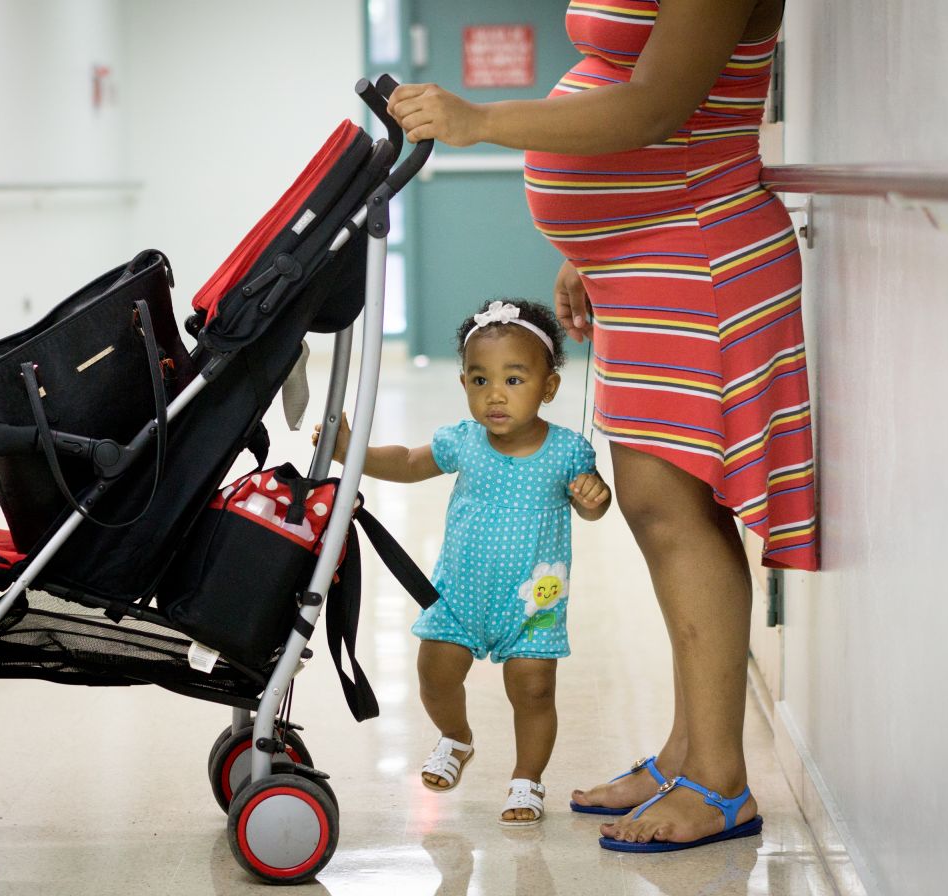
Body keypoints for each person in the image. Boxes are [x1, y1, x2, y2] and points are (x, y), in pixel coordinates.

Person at [387, 0, 817, 852]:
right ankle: (689, 751)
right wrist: (595, 239)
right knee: (664, 516)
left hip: (696, 251)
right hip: (647, 252)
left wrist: (482, 120)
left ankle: (721, 785)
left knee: (677, 514)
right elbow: (630, 92)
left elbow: (659, 104)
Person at [314, 298, 612, 826]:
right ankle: (456, 738)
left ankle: (527, 779)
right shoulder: (464, 442)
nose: (495, 395)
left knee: (534, 690)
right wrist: (349, 451)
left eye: (514, 380)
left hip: (533, 604)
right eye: (480, 380)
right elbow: (407, 462)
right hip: (458, 597)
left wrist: (596, 498)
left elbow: (594, 507)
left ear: (548, 387)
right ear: (464, 384)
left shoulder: (568, 452)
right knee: (434, 674)